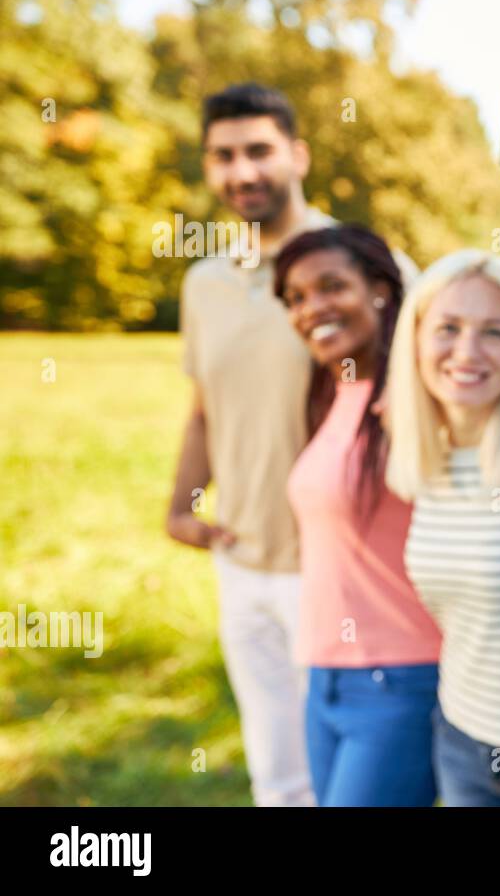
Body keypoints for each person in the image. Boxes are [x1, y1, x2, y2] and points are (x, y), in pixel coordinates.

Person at [166, 83, 333, 806]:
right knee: (277, 777)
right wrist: (180, 506)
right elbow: (205, 407)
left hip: (336, 568)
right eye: (223, 156)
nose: (242, 173)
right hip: (239, 557)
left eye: (259, 150)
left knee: (350, 782)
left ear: (296, 155)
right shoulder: (205, 283)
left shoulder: (356, 266)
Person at [274, 224, 443, 807]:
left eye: (330, 287)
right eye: (295, 298)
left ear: (379, 289)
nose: (311, 309)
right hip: (325, 675)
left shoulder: (424, 396)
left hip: (401, 679)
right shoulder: (334, 392)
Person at [385, 250, 500, 807]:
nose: (467, 352)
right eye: (448, 328)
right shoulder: (425, 462)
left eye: (494, 333)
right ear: (414, 340)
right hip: (460, 735)